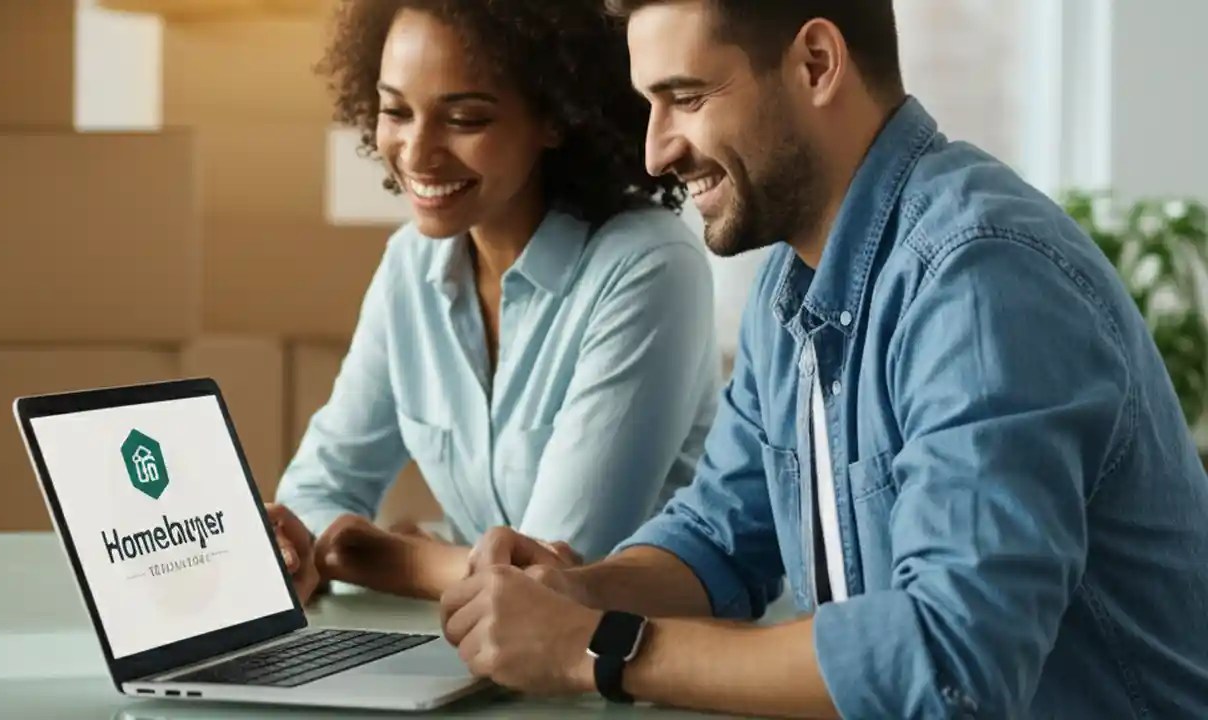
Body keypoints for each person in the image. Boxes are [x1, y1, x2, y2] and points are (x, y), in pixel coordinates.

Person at [440, 1, 1208, 717]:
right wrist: (576, 593)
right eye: (651, 104)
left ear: (816, 63)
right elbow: (718, 538)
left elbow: (951, 663)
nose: (656, 150)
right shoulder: (794, 278)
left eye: (688, 97)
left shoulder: (980, 278)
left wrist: (599, 646)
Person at [268, 0, 719, 605]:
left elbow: (556, 576)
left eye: (465, 119)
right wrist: (327, 549)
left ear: (554, 116)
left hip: (642, 650)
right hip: (487, 644)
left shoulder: (648, 267)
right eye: (396, 111)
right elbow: (310, 497)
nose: (417, 153)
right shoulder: (411, 265)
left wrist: (398, 558)